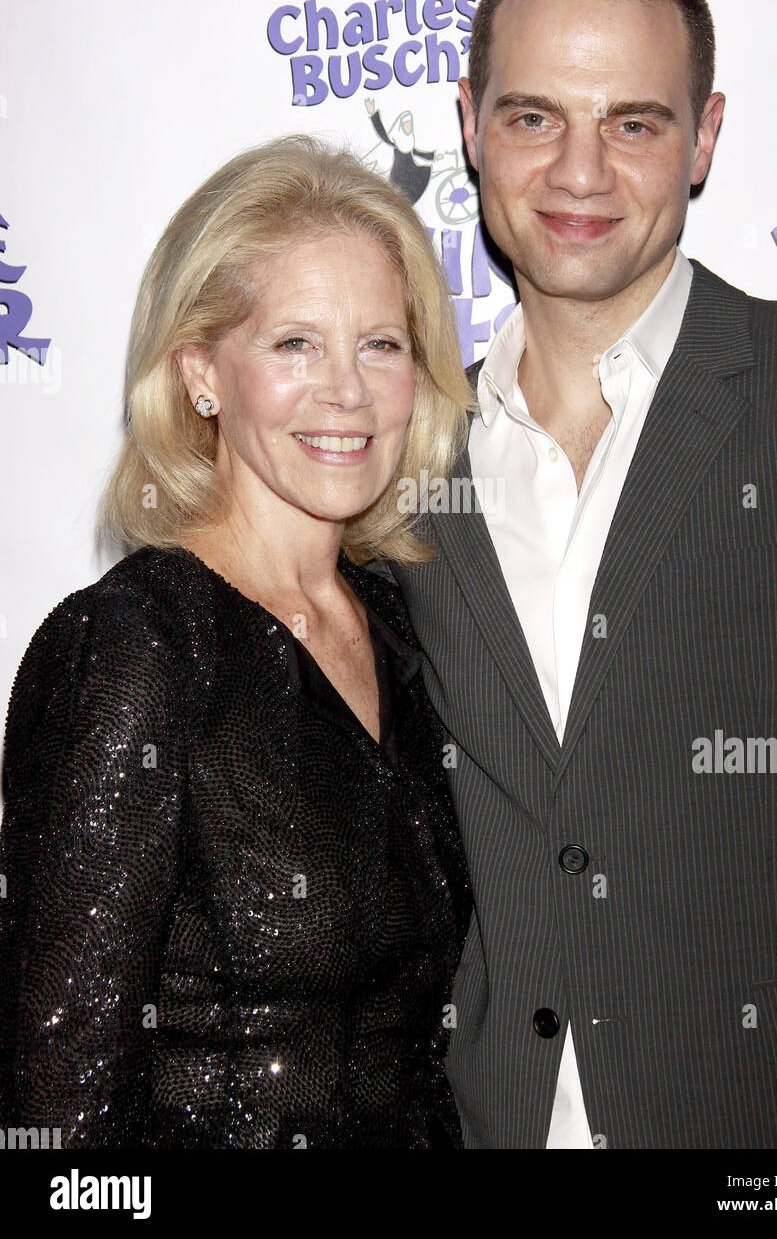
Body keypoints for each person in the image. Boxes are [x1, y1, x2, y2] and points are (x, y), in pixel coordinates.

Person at [382, 0, 777, 1148]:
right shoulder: (400, 459)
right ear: (466, 124)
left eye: (632, 123)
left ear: (704, 135)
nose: (577, 171)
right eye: (530, 117)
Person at [0, 134, 473, 1148]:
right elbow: (54, 1103)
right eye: (295, 343)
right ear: (201, 372)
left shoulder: (401, 625)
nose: (345, 392)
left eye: (380, 344)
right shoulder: (132, 651)